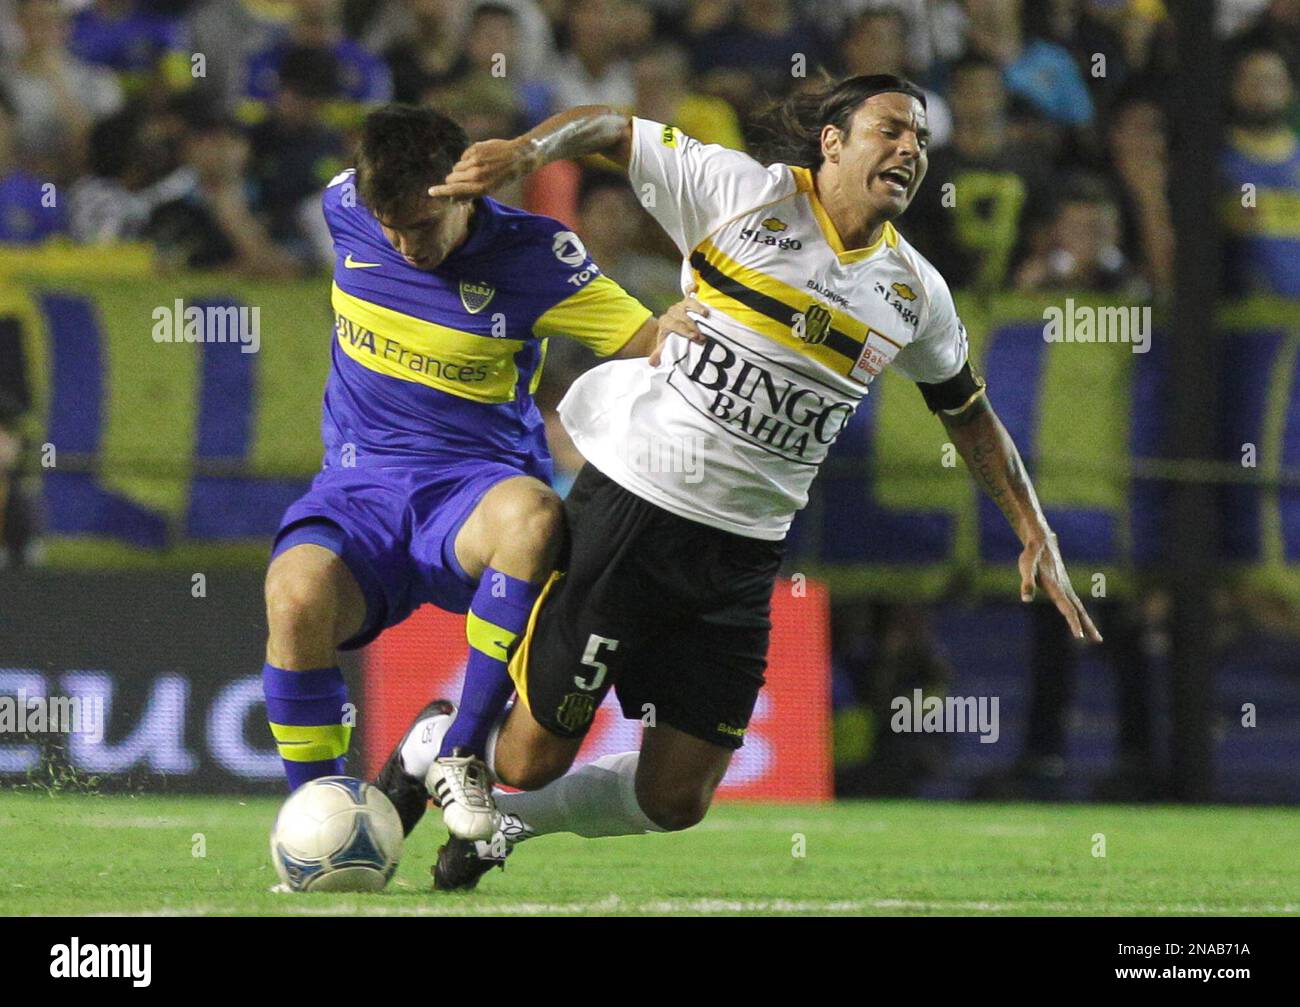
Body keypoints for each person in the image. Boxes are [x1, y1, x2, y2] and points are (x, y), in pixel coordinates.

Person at [386, 74, 1103, 889]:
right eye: (891, 130)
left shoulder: (915, 292)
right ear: (832, 141)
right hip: (633, 513)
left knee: (676, 795)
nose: (910, 149)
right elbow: (613, 129)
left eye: (921, 140)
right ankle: (431, 742)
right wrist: (525, 150)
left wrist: (1030, 525)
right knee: (527, 755)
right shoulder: (741, 192)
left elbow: (966, 412)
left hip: (741, 557)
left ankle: (505, 828)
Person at [262, 103, 701, 847]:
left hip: (474, 486)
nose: (406, 245)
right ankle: (324, 822)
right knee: (294, 593)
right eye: (390, 227)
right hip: (358, 487)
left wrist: (692, 323)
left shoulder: (537, 256)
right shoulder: (346, 204)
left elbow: (645, 337)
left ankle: (461, 750)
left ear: (464, 190)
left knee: (534, 516)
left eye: (422, 227)